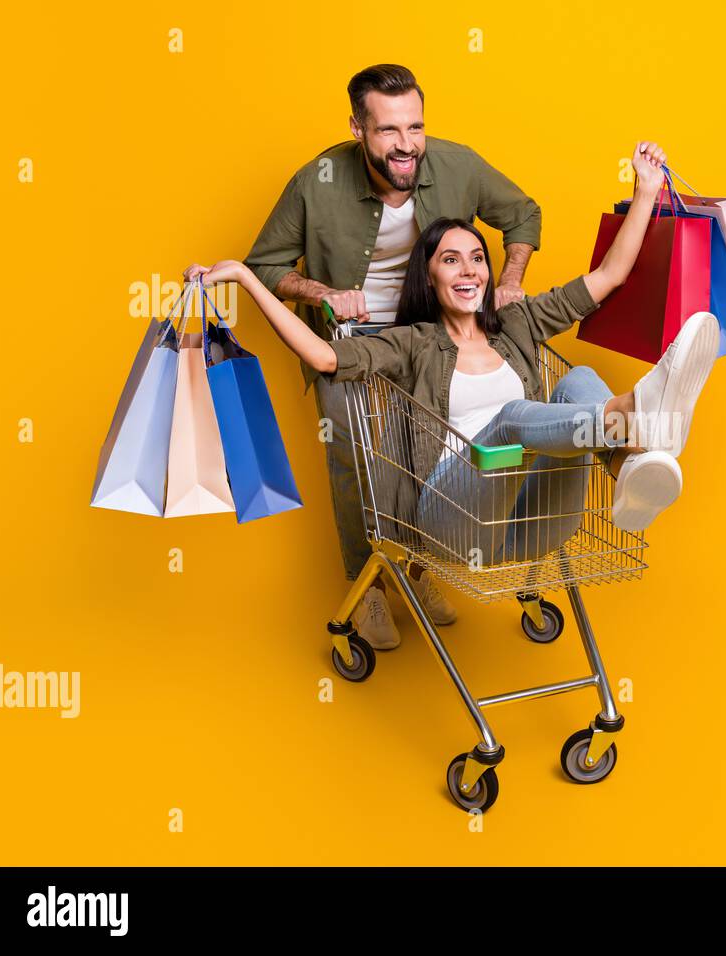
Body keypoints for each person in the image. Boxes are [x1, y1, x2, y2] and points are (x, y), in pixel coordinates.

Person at [186, 141, 719, 648]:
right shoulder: (413, 343)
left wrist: (647, 187)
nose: (469, 270)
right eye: (451, 260)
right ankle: (631, 417)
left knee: (575, 380)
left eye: (477, 258)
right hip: (458, 524)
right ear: (430, 276)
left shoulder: (517, 323)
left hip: (535, 521)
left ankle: (630, 467)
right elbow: (325, 357)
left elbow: (610, 275)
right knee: (510, 421)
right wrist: (244, 278)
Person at [225, 63, 542, 635]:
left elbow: (522, 214)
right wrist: (323, 293)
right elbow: (265, 265)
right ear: (357, 128)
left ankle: (416, 571)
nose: (406, 146)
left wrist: (512, 276)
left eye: (415, 129)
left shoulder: (456, 164)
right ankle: (368, 584)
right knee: (359, 462)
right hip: (351, 344)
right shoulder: (315, 180)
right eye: (388, 131)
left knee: (424, 447)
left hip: (431, 338)